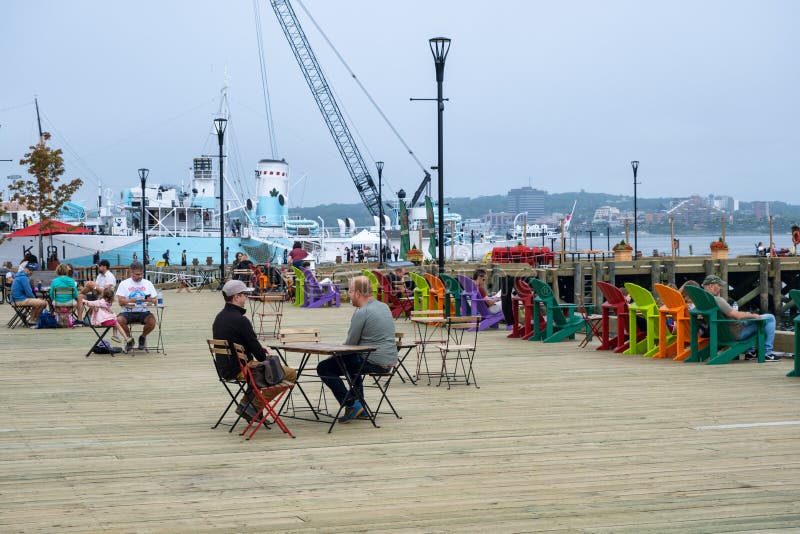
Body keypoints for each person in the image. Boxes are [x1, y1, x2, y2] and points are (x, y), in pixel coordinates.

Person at [212, 279, 296, 420]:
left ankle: (246, 404)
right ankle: (253, 407)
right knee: (290, 373)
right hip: (241, 368)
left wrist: (255, 350)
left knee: (265, 372)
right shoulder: (240, 320)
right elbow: (258, 353)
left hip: (225, 368)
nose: (247, 297)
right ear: (236, 297)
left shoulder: (219, 318)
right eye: (244, 294)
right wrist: (266, 357)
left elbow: (241, 342)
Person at [317, 276, 397, 423]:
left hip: (373, 360)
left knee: (324, 367)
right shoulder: (384, 306)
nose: (349, 295)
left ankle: (350, 404)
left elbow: (350, 345)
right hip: (389, 361)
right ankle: (361, 408)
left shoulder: (362, 313)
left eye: (351, 291)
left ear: (359, 293)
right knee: (352, 363)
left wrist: (333, 355)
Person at [701, 274, 778, 361]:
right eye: (719, 285)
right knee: (770, 318)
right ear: (711, 286)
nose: (721, 288)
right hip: (735, 334)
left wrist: (748, 315)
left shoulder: (702, 301)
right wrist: (753, 315)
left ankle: (750, 353)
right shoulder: (718, 300)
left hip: (720, 333)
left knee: (749, 317)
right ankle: (767, 353)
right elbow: (736, 316)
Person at [116, 261, 158, 352]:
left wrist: (149, 300)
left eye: (141, 274)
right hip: (127, 311)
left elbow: (155, 300)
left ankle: (142, 337)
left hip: (143, 311)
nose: (140, 276)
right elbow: (120, 301)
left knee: (152, 322)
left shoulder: (148, 283)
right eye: (137, 274)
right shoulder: (124, 284)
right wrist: (134, 300)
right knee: (118, 321)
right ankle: (129, 339)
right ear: (131, 272)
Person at [10, 262, 47, 327]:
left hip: (15, 299)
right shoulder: (24, 278)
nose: (31, 271)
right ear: (25, 269)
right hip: (19, 300)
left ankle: (32, 320)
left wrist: (36, 299)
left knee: (38, 302)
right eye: (30, 270)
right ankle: (33, 320)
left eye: (33, 270)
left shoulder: (20, 276)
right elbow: (29, 293)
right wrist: (36, 299)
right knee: (43, 303)